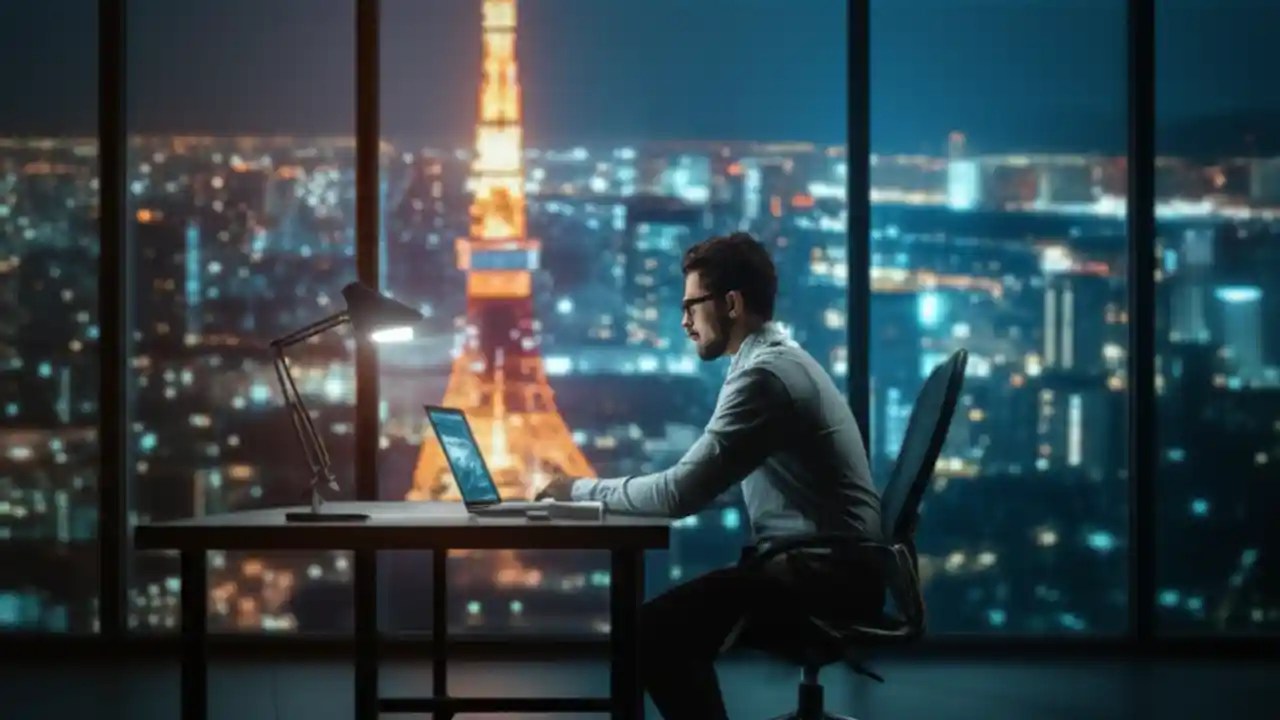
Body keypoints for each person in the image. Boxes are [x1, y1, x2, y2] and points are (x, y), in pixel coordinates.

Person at [537, 232, 885, 720]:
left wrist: (576, 488)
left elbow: (680, 493)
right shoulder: (778, 362)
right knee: (667, 625)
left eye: (691, 306)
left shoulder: (763, 378)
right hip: (829, 567)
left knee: (652, 632)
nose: (683, 321)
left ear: (732, 303)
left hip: (822, 578)